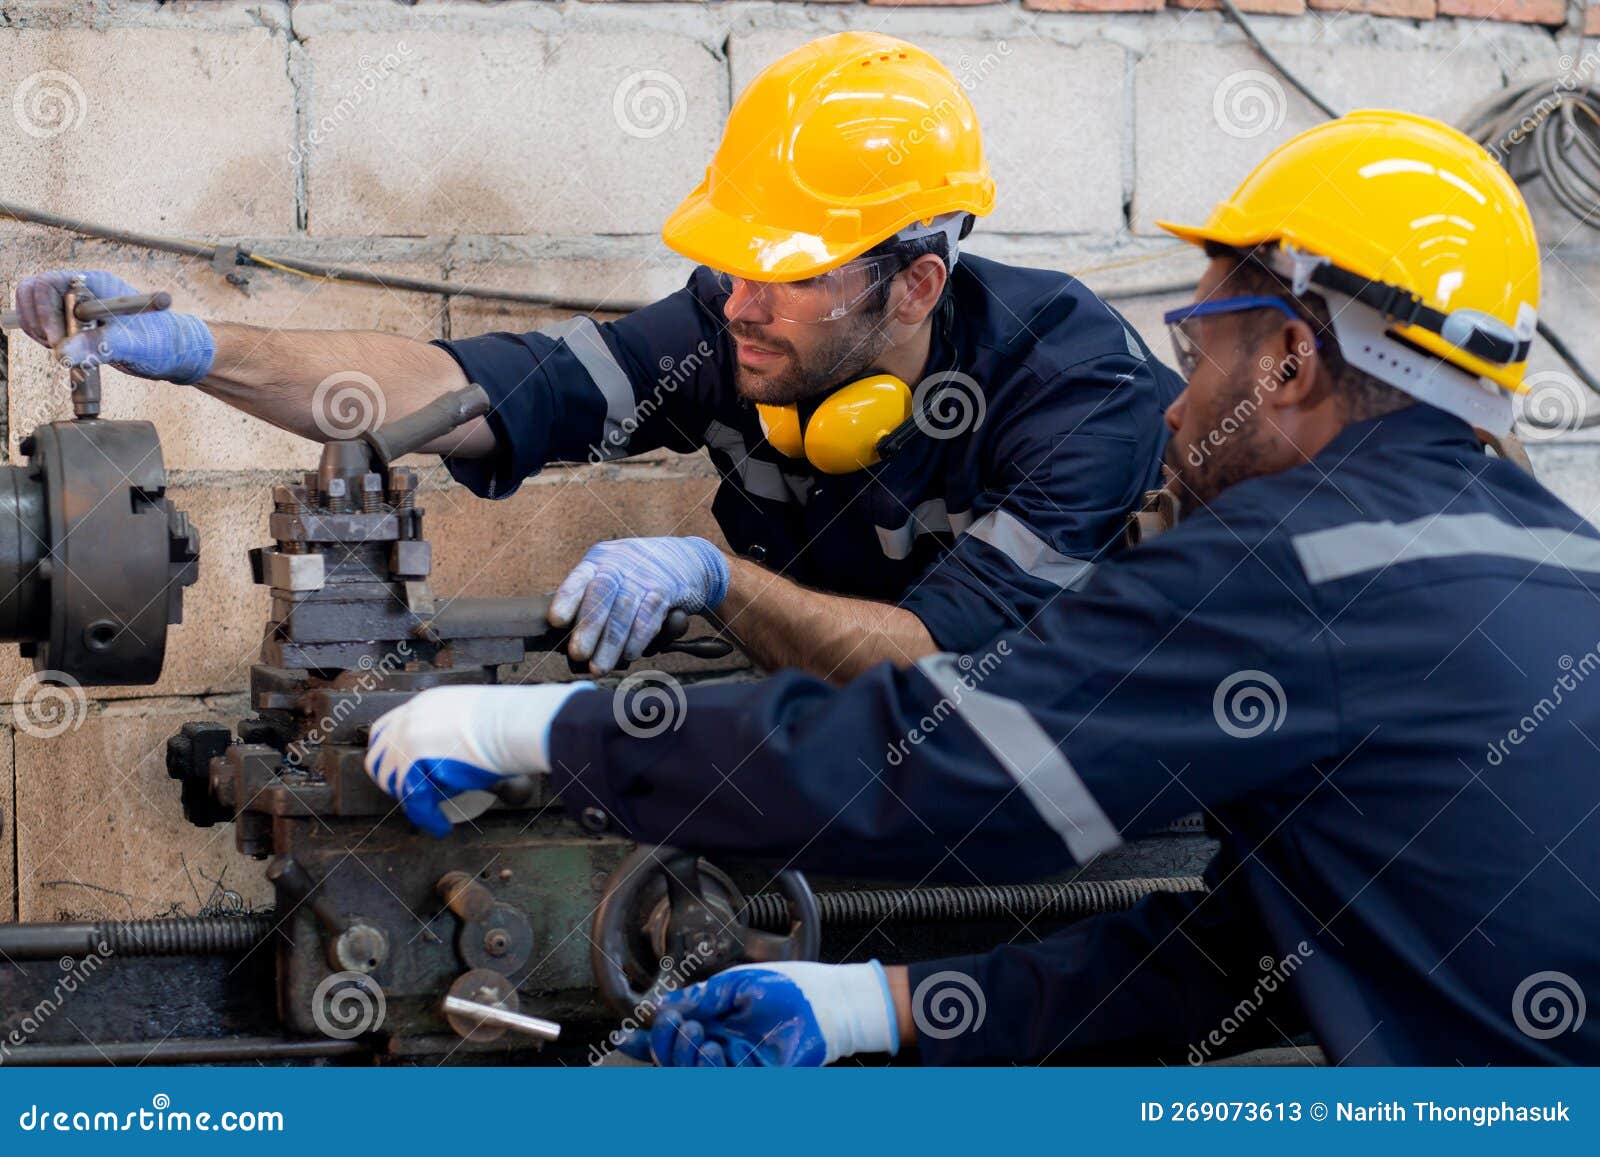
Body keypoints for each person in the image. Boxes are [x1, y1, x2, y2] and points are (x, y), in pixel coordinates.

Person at [365, 110, 1599, 1066]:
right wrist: (870, 1003)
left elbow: (942, 757)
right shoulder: (1557, 557)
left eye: (1197, 345)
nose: (1176, 403)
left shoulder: (1297, 560)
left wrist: (534, 728)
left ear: (1290, 354)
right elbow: (1246, 953)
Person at [9, 32, 1179, 682]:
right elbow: (471, 392)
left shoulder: (1078, 396)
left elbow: (931, 671)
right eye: (732, 266)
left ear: (915, 281)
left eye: (788, 272)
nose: (740, 303)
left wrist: (717, 580)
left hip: (1080, 800)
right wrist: (202, 346)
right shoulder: (737, 327)